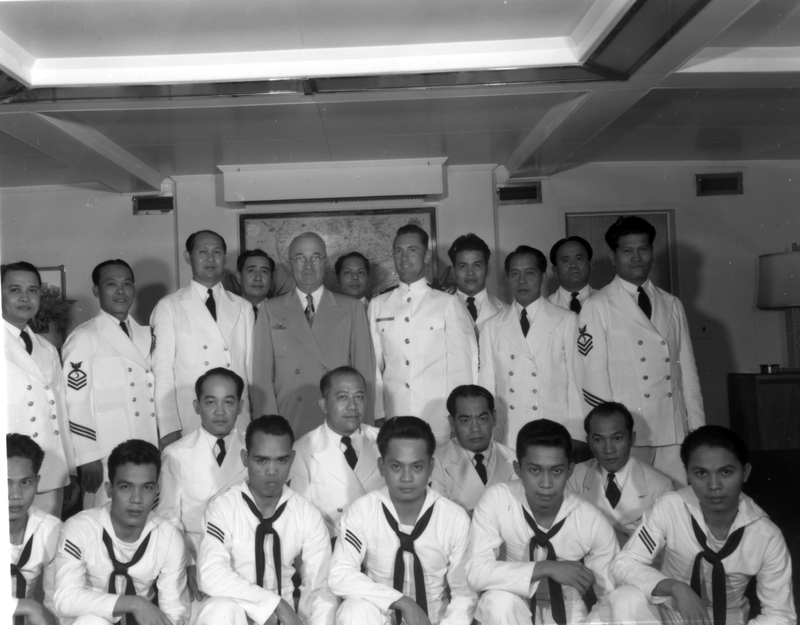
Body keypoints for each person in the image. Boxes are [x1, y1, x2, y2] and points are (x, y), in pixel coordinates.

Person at [609, 425, 796, 625]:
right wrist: (674, 587)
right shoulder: (670, 507)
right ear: (687, 474)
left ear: (745, 472)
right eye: (701, 473)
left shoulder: (767, 535)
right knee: (625, 598)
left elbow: (780, 615)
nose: (714, 485)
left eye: (726, 472)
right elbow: (624, 562)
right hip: (672, 613)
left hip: (728, 621)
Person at [578, 215, 705, 484]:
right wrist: (608, 434)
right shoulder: (597, 305)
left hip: (673, 430)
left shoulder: (672, 304)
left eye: (643, 249)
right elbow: (592, 376)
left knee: (677, 499)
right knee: (632, 500)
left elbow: (688, 372)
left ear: (652, 253)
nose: (636, 257)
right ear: (613, 257)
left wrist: (696, 428)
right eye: (627, 251)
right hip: (627, 432)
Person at [465, 419, 618, 625]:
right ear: (518, 469)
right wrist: (546, 568)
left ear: (570, 470)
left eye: (556, 471)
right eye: (535, 470)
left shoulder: (591, 520)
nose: (546, 484)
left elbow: (609, 597)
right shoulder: (497, 500)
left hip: (569, 607)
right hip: (513, 599)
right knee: (498, 602)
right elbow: (476, 573)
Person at [328, 416, 477, 624]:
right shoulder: (363, 511)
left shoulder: (453, 518)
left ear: (431, 466)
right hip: (381, 616)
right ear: (382, 466)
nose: (407, 478)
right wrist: (401, 602)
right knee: (353, 609)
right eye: (396, 467)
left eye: (417, 467)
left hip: (435, 620)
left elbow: (464, 593)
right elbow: (339, 573)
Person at [195, 415, 336, 625]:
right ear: (245, 458)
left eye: (281, 460)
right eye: (261, 460)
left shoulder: (306, 513)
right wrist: (274, 605)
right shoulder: (223, 508)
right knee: (218, 609)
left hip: (287, 621)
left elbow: (319, 586)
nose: (272, 471)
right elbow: (210, 574)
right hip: (237, 617)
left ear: (292, 458)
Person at [54, 439, 190, 625]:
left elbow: (175, 609)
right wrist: (135, 604)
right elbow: (65, 599)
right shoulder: (80, 528)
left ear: (156, 491)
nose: (136, 499)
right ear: (109, 490)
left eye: (147, 488)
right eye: (126, 487)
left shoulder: (168, 536)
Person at [253, 232, 375, 439]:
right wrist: (269, 430)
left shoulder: (352, 308)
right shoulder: (269, 310)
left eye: (316, 257)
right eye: (300, 257)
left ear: (325, 261)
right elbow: (262, 379)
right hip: (288, 420)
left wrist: (364, 431)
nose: (308, 265)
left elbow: (365, 376)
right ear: (289, 263)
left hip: (340, 419)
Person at [369, 224, 478, 445]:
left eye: (412, 250)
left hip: (438, 420)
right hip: (394, 417)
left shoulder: (448, 303)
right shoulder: (378, 304)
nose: (404, 257)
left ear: (426, 256)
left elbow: (462, 367)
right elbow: (373, 368)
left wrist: (460, 417)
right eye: (398, 251)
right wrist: (378, 413)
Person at [62, 259, 158, 508]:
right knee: (105, 517)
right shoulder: (85, 338)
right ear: (96, 290)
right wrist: (87, 457)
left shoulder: (148, 335)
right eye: (111, 284)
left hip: (149, 446)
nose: (120, 291)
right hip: (107, 453)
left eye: (127, 284)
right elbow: (75, 403)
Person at [150, 230, 255, 447]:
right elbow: (162, 372)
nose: (210, 258)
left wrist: (252, 419)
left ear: (225, 258)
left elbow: (250, 369)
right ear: (188, 257)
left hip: (236, 416)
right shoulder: (169, 306)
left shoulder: (243, 307)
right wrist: (168, 426)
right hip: (190, 417)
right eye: (202, 252)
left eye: (217, 252)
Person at [477, 246, 584, 453]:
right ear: (507, 278)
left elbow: (576, 381)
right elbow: (487, 386)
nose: (522, 281)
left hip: (555, 427)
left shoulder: (566, 320)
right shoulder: (491, 326)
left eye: (530, 273)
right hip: (508, 432)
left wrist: (577, 434)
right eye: (515, 274)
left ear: (543, 276)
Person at [157, 368, 248, 605]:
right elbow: (168, 519)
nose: (220, 411)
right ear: (197, 406)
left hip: (245, 559)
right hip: (196, 559)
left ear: (240, 406)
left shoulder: (255, 448)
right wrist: (186, 564)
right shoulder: (176, 453)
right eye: (210, 402)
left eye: (229, 402)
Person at [3, 261, 76, 516]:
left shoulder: (48, 349)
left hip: (49, 472)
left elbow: (61, 416)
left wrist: (69, 471)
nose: (25, 297)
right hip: (9, 474)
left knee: (48, 536)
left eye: (32, 290)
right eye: (15, 290)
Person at [290, 366, 385, 538]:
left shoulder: (384, 441)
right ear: (324, 405)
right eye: (342, 397)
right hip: (330, 545)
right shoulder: (302, 450)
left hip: (381, 542)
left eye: (359, 397)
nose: (353, 406)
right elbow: (301, 518)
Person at [567, 402, 674, 546]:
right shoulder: (573, 477)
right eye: (598, 440)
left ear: (632, 438)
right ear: (589, 442)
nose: (609, 449)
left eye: (617, 438)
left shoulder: (661, 487)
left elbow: (667, 547)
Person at [430, 385, 517, 516]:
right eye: (465, 421)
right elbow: (439, 518)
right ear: (452, 423)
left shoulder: (515, 459)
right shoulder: (435, 463)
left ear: (494, 418)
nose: (475, 428)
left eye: (482, 419)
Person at [7, 433, 61, 625]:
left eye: (25, 482)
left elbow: (55, 600)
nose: (15, 495)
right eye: (5, 482)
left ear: (37, 482)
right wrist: (28, 606)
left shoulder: (51, 530)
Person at [447, 233, 506, 332]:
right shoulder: (439, 310)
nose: (470, 272)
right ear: (453, 272)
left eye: (477, 265)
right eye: (463, 266)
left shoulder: (506, 311)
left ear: (487, 269)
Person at [547, 236, 595, 314]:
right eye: (565, 260)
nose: (573, 265)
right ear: (555, 270)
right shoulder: (544, 307)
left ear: (591, 265)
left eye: (579, 258)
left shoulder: (606, 300)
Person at [236, 248, 274, 318]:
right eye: (251, 271)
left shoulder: (283, 312)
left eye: (264, 272)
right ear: (239, 277)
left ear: (271, 278)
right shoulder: (225, 310)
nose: (258, 278)